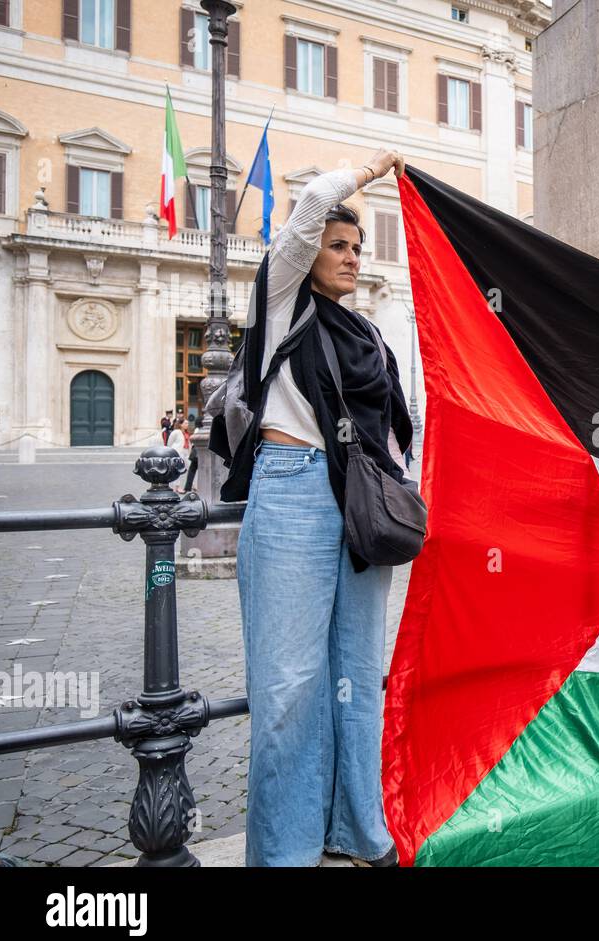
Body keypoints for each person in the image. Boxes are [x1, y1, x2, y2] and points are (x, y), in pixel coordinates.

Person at [211, 149, 412, 868]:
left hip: (359, 503)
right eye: (338, 246)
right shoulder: (282, 302)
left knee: (357, 670)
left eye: (359, 247)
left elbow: (392, 431)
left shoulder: (369, 334)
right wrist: (370, 171)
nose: (353, 257)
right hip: (293, 488)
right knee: (290, 684)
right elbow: (304, 215)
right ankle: (286, 852)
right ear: (308, 255)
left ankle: (358, 829)